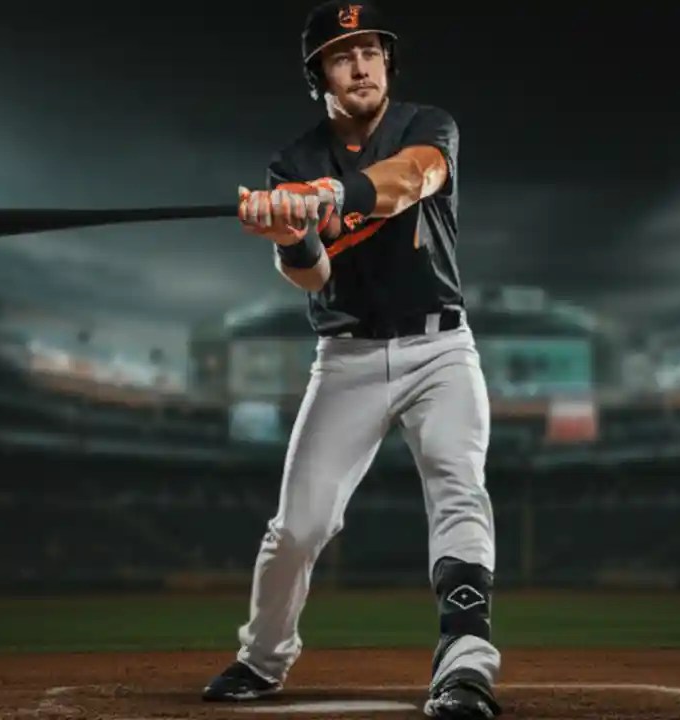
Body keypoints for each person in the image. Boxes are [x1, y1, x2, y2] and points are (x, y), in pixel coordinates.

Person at [200, 2, 502, 717]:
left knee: (459, 487)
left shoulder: (429, 126)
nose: (362, 64)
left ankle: (466, 664)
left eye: (371, 50)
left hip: (440, 349)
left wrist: (334, 196)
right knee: (299, 526)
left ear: (388, 61)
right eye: (342, 55)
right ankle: (263, 658)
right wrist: (287, 232)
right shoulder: (294, 161)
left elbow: (414, 179)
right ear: (319, 76)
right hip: (347, 355)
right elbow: (311, 279)